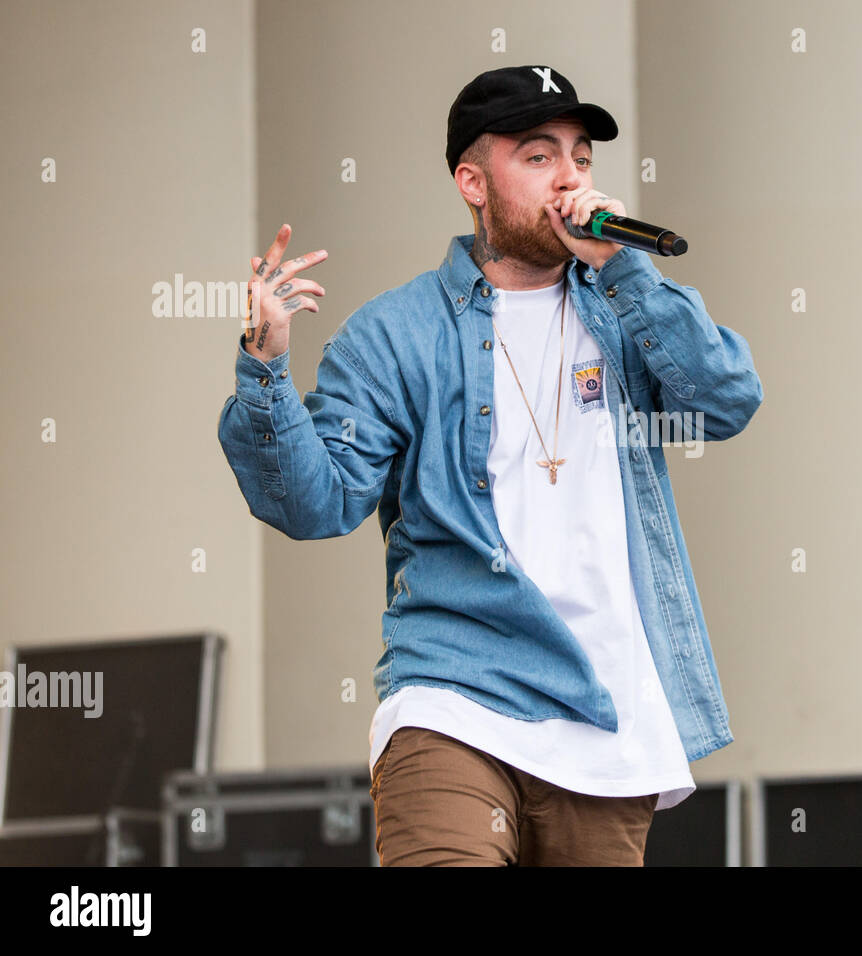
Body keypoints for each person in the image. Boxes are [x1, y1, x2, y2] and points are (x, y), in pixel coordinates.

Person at [217, 64, 763, 866]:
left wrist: (625, 266)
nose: (570, 176)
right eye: (539, 156)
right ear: (473, 181)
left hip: (605, 719)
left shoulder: (622, 308)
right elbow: (316, 503)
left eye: (580, 156)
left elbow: (725, 401)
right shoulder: (393, 334)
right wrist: (265, 365)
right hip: (454, 698)